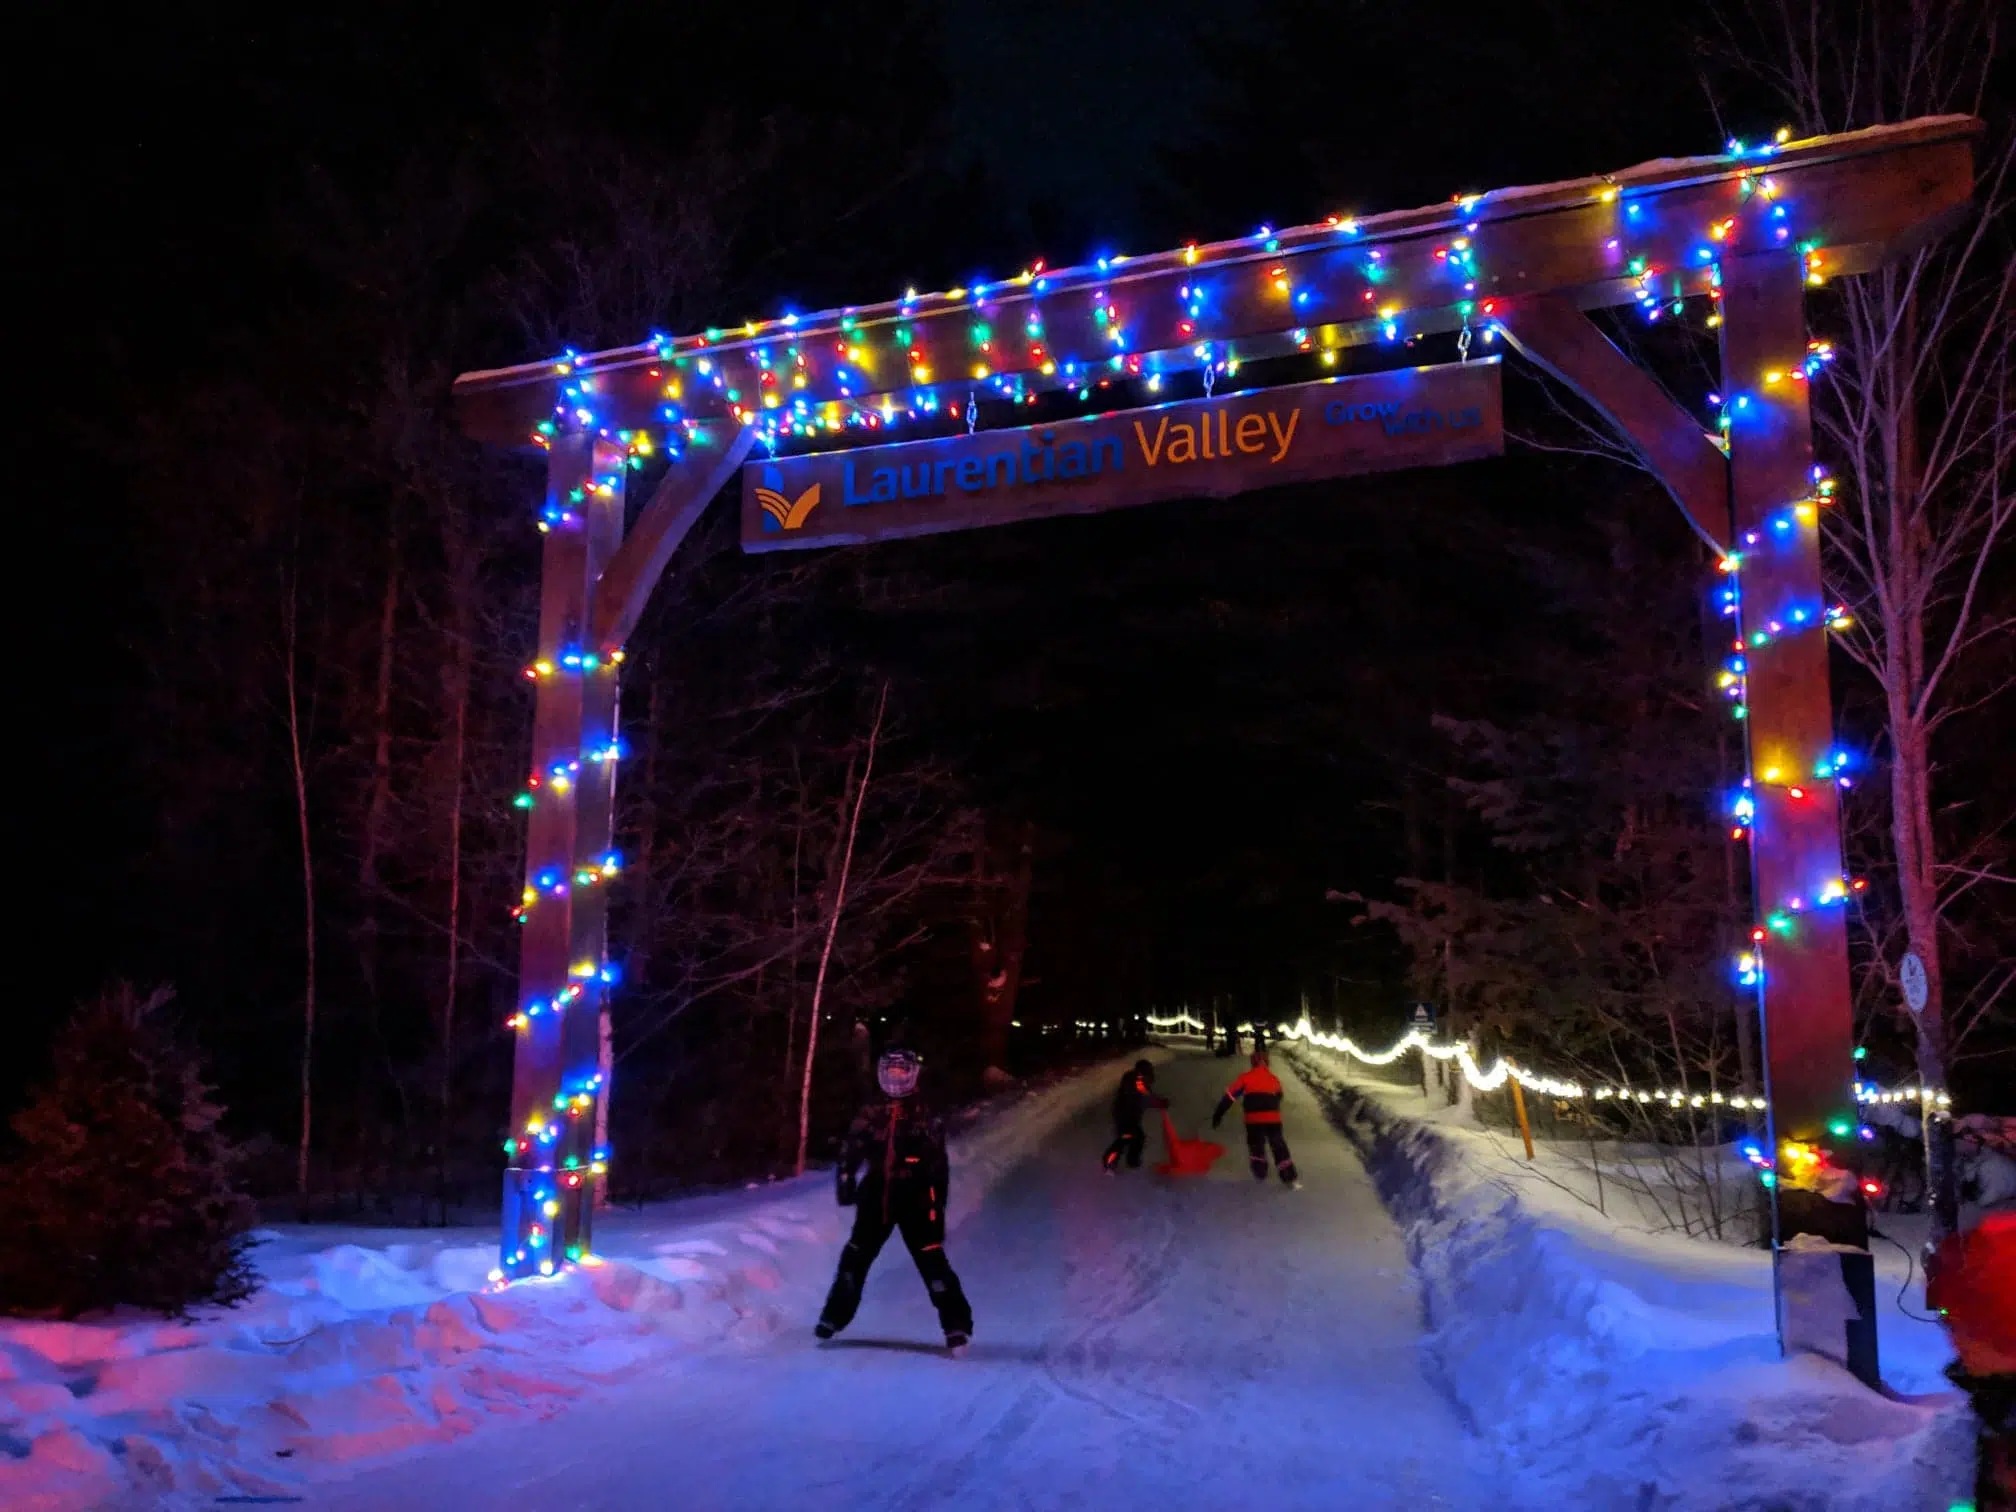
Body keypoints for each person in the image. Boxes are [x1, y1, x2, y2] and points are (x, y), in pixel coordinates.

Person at [815, 1047, 974, 1354]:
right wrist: (846, 1179)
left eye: (902, 1073)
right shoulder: (872, 1110)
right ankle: (834, 1317)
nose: (896, 1079)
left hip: (915, 1195)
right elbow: (852, 1147)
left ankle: (956, 1327)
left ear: (913, 1074)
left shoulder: (924, 1112)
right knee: (854, 1258)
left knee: (932, 1263)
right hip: (876, 1194)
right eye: (891, 1073)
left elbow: (938, 1164)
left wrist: (936, 1207)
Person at [1212, 1047, 1299, 1187]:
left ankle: (1260, 1171)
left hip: (1253, 1120)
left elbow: (1229, 1097)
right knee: (1278, 1145)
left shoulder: (1245, 1078)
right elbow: (1279, 1096)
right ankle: (1288, 1175)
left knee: (1256, 1145)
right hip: (1273, 1119)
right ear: (1267, 1062)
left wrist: (1218, 1114)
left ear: (1252, 1063)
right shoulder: (1274, 1079)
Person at [1103, 1059, 1168, 1173]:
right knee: (1125, 1138)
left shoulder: (1142, 1082)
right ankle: (1109, 1162)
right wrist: (1158, 1103)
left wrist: (1160, 1101)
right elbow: (1144, 1098)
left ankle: (1132, 1161)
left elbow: (1148, 1096)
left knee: (1138, 1138)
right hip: (1124, 1115)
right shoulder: (1134, 1082)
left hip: (1133, 1116)